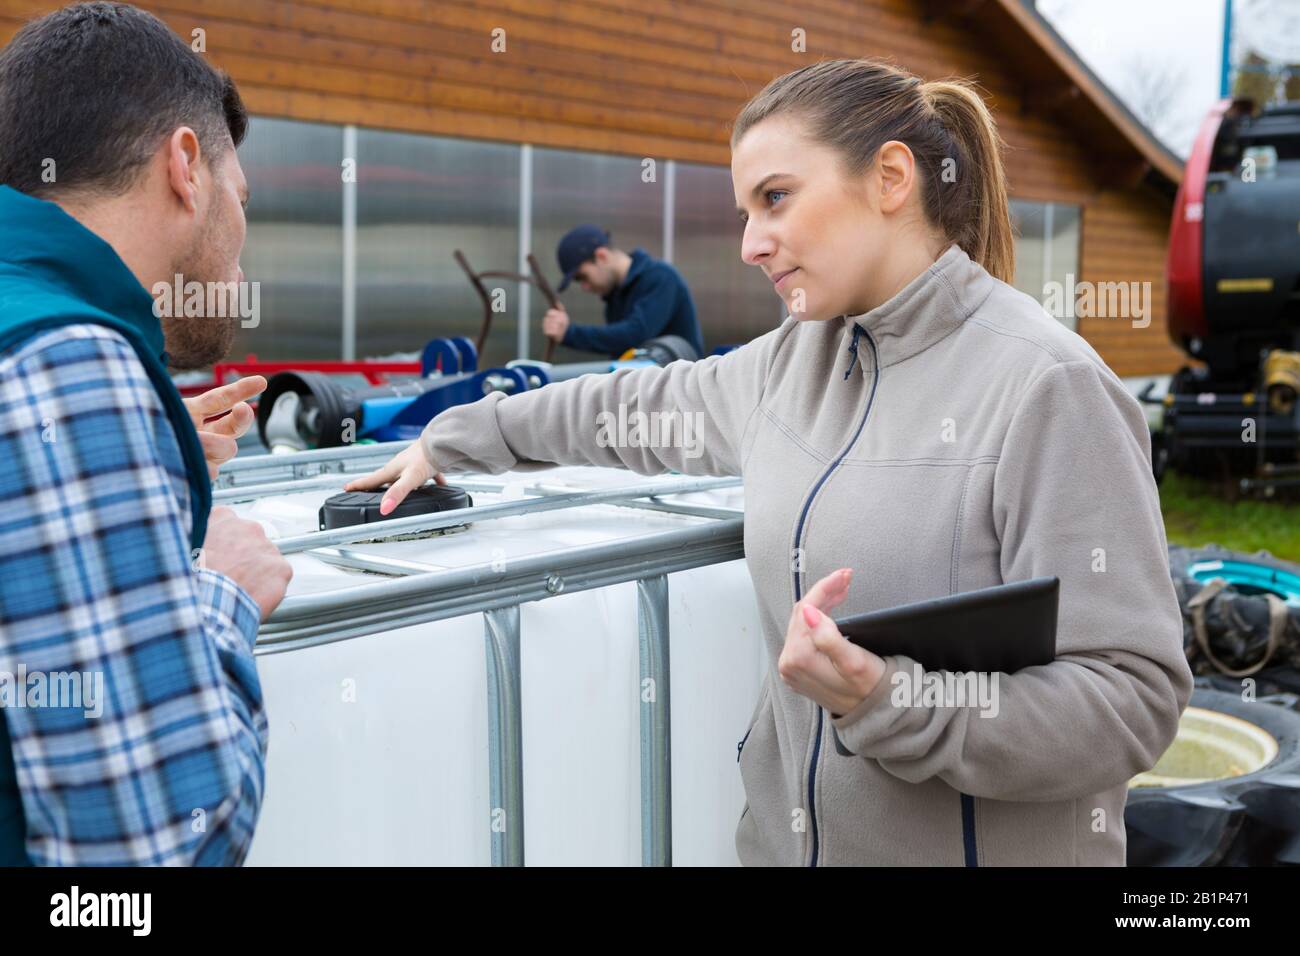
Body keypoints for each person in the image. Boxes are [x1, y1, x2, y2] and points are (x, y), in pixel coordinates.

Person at [347, 58, 1192, 866]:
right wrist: (454, 437)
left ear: (891, 178)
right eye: (747, 211)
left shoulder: (1050, 388)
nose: (752, 242)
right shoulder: (796, 362)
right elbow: (632, 408)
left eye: (776, 199)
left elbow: (1131, 701)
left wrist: (893, 703)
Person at [0, 2, 291, 865]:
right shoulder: (71, 367)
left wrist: (141, 467)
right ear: (187, 167)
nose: (240, 256)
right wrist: (219, 590)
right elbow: (153, 853)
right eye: (241, 201)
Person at [542, 224, 705, 360]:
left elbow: (635, 334)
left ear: (602, 256)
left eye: (582, 277)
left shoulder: (661, 277)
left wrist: (569, 333)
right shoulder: (615, 297)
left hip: (681, 390)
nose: (585, 287)